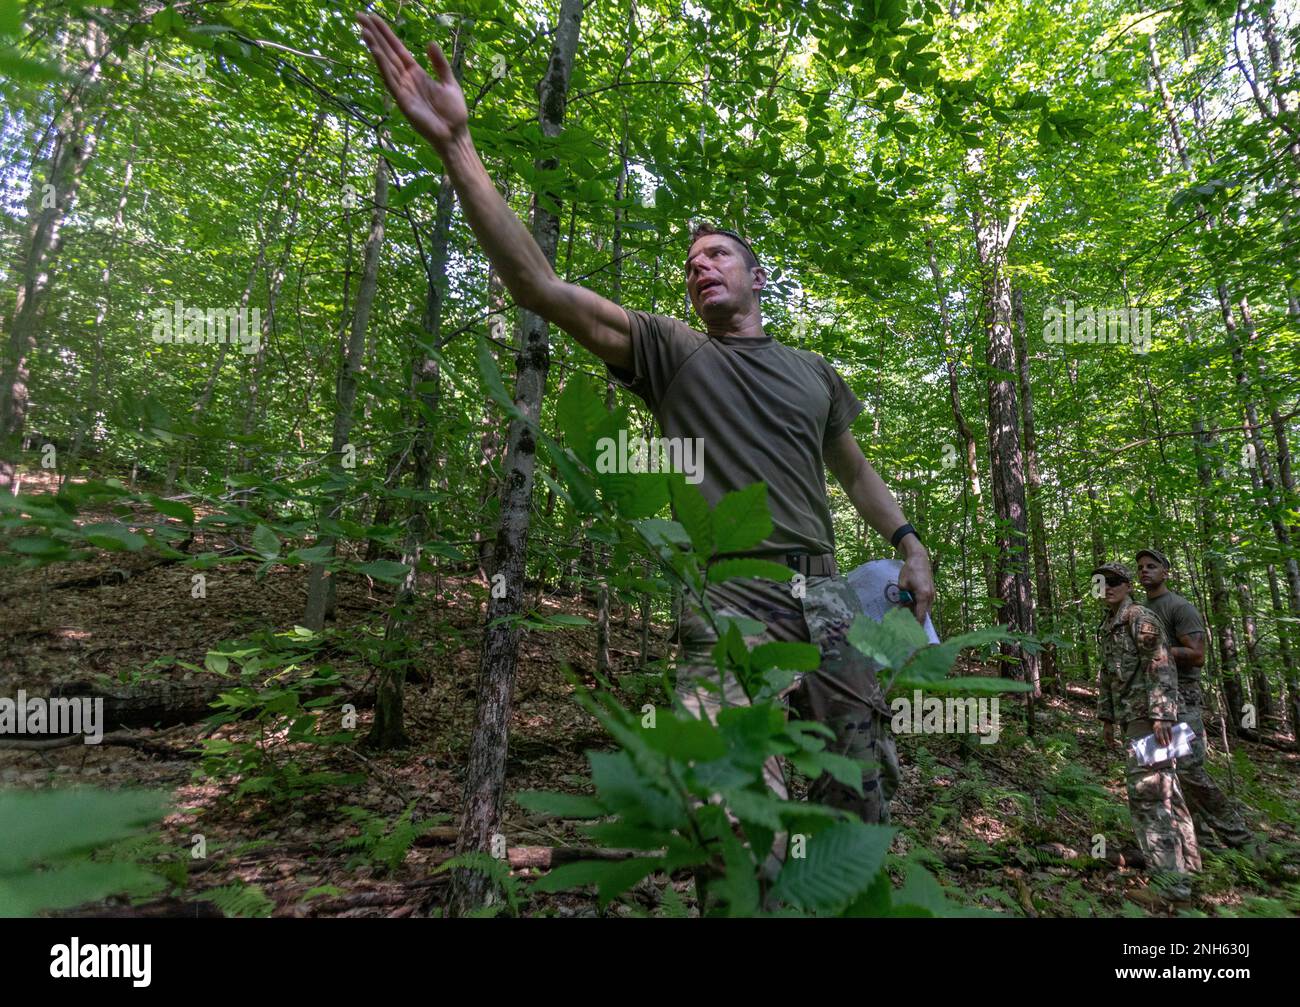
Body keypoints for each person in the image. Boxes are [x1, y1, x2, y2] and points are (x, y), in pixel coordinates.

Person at [355, 14, 935, 826]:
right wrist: (457, 147)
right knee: (726, 806)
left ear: (758, 275)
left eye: (717, 254)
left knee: (857, 797)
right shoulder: (671, 352)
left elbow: (856, 473)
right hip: (732, 592)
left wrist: (909, 544)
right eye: (691, 262)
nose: (700, 266)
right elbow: (540, 289)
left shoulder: (815, 371)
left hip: (829, 595)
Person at [1094, 561, 1201, 902]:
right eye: (1100, 582)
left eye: (1114, 581)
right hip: (1131, 717)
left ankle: (1171, 888)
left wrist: (1162, 715)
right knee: (1168, 792)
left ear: (1127, 585)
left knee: (1149, 795)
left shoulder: (1140, 618)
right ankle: (1188, 871)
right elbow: (1109, 677)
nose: (1106, 587)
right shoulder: (1109, 625)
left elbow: (1162, 663)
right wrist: (1107, 718)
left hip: (1150, 719)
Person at [1135, 548, 1255, 852]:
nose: (1144, 571)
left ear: (1165, 572)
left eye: (1151, 566)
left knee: (1190, 771)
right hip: (1154, 700)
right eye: (1140, 567)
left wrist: (1159, 651)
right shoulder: (1140, 610)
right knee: (1164, 774)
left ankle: (1242, 841)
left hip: (1183, 699)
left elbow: (1197, 656)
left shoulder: (1180, 607)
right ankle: (1201, 844)